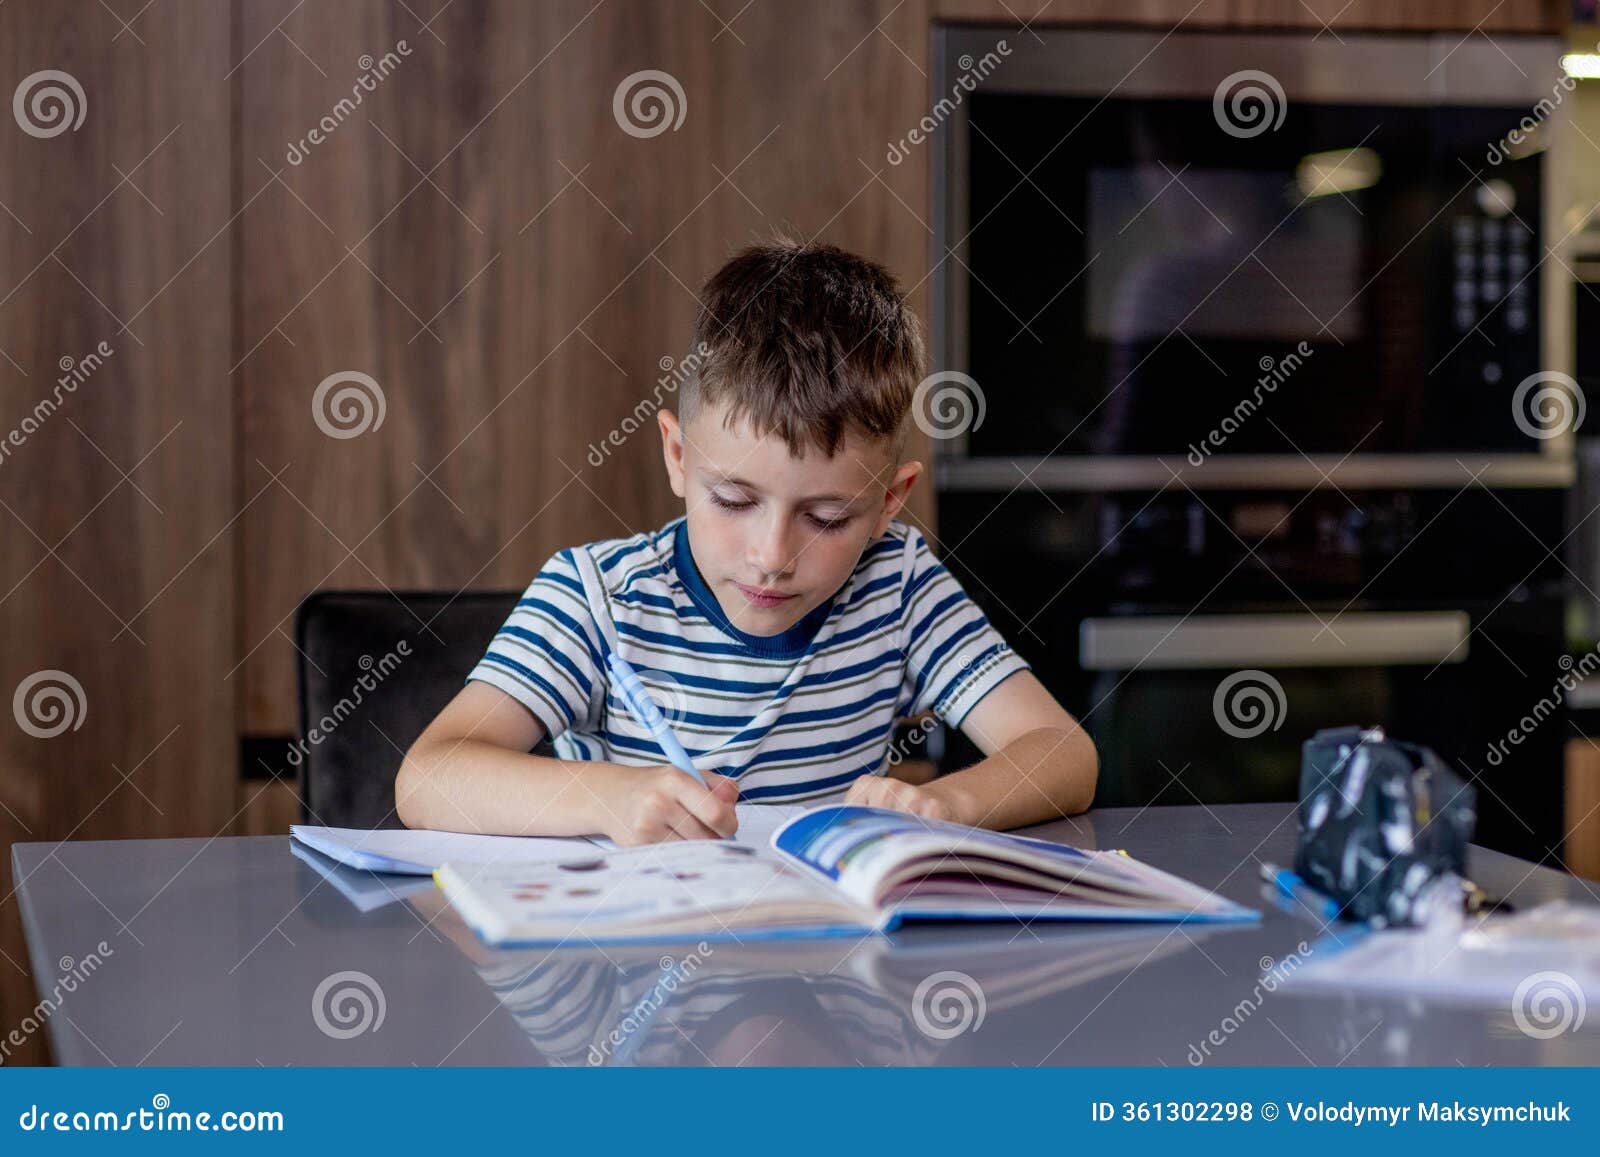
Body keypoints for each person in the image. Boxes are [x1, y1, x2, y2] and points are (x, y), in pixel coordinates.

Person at [397, 238, 1096, 844]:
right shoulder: (596, 597)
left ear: (890, 502)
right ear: (678, 456)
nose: (771, 556)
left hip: (831, 973)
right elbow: (430, 777)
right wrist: (608, 797)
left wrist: (950, 803)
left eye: (827, 518)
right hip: (635, 979)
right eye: (733, 501)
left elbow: (1063, 750)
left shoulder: (902, 586)